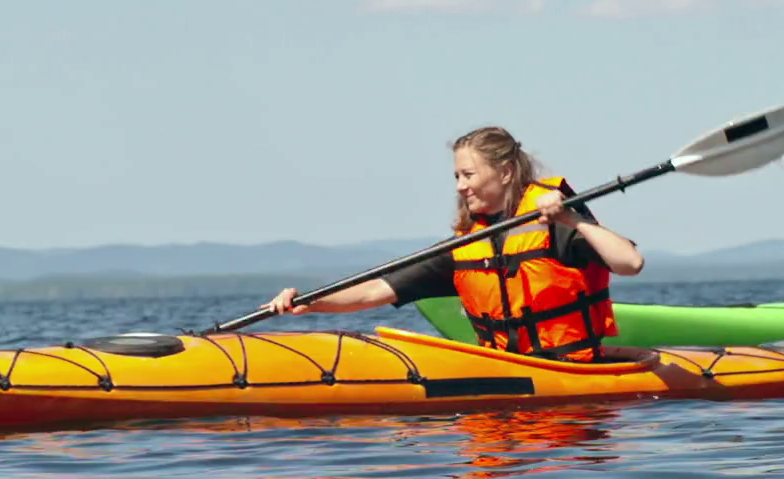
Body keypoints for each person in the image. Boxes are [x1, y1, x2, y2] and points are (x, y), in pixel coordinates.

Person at [264, 126, 645, 362]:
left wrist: (571, 218)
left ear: (506, 172)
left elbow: (630, 263)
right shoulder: (467, 245)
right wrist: (307, 303)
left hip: (572, 390)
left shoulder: (557, 224)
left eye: (468, 174)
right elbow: (374, 292)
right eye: (456, 176)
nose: (460, 186)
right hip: (504, 381)